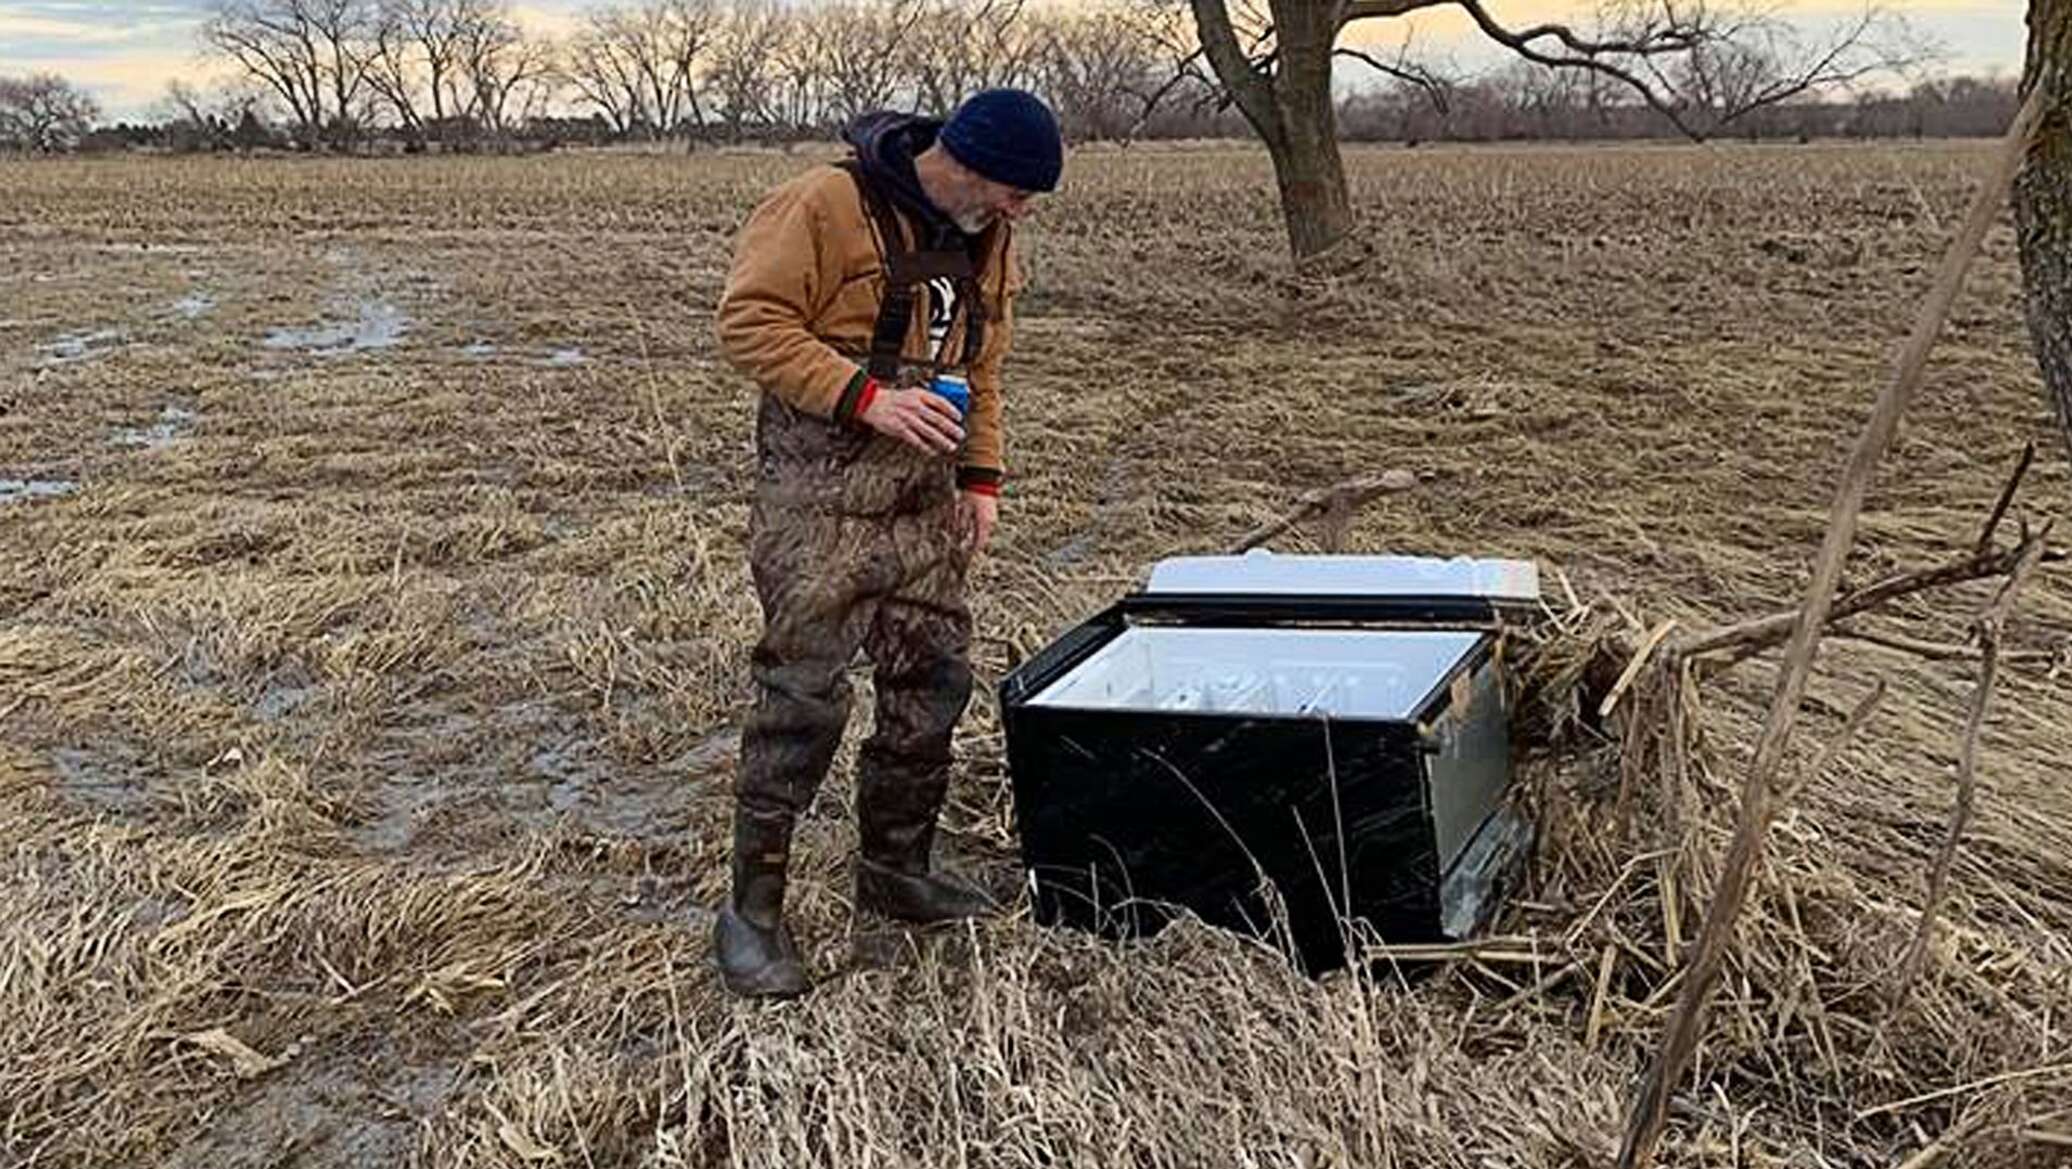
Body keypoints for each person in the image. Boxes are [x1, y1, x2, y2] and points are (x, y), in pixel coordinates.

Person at [711, 89, 1062, 999]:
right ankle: (751, 911)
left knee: (932, 679)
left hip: (923, 503)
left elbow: (981, 366)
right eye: (1018, 191)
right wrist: (867, 398)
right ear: (969, 161)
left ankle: (896, 869)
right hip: (818, 497)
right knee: (801, 693)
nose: (1023, 211)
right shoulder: (823, 204)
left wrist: (980, 478)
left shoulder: (989, 233)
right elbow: (749, 322)